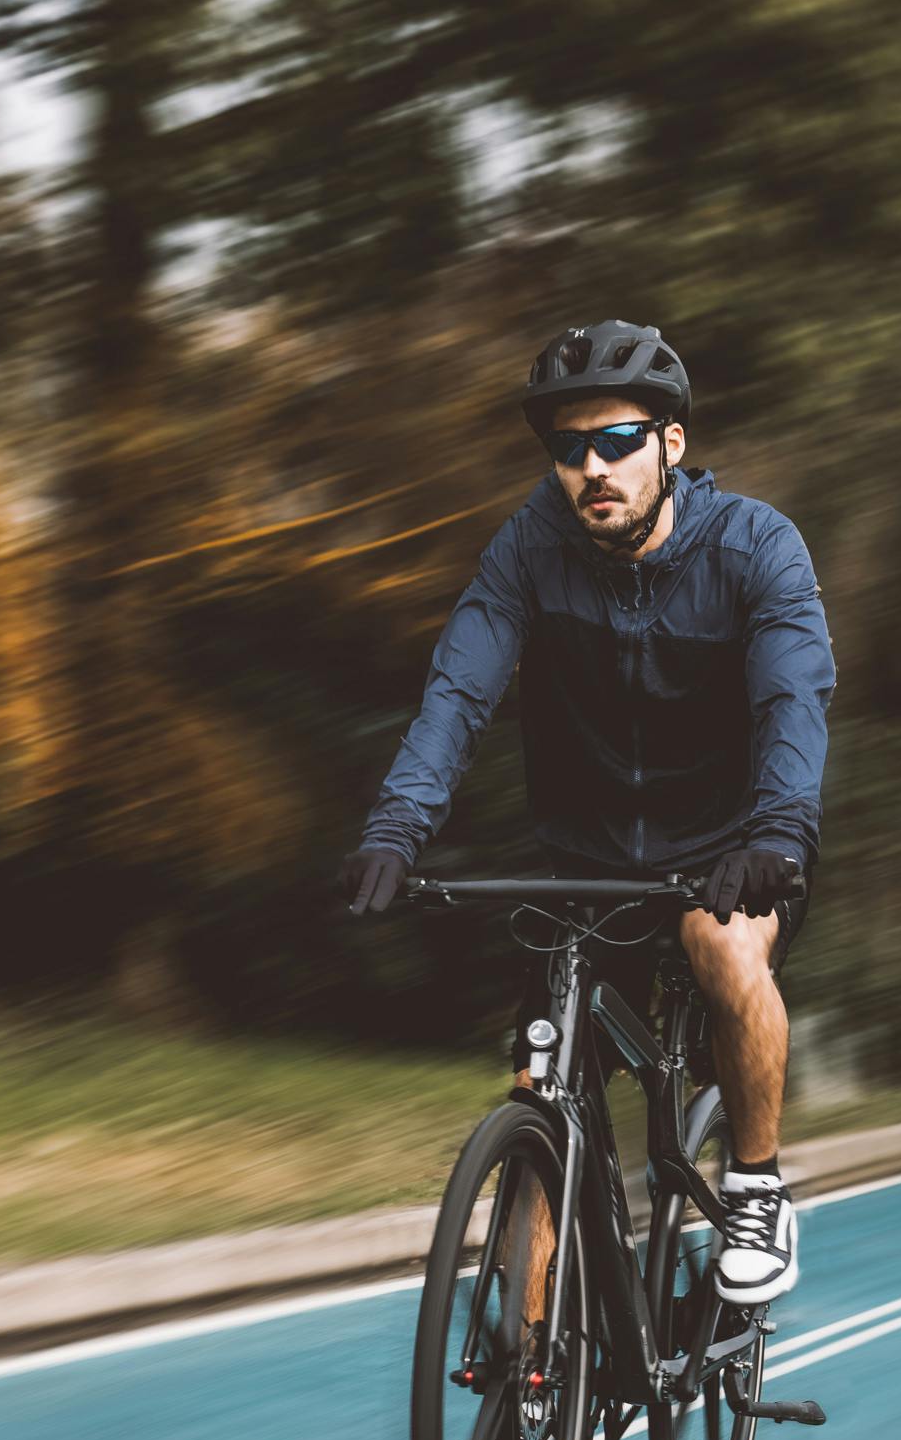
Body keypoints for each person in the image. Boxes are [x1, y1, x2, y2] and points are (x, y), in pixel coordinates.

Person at [340, 318, 834, 1335]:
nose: (591, 469)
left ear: (673, 443)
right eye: (568, 450)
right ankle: (522, 1387)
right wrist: (396, 829)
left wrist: (776, 835)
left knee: (725, 955)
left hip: (727, 856)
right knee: (541, 1087)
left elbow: (794, 701)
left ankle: (754, 1192)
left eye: (615, 441)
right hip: (587, 869)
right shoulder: (530, 551)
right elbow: (459, 693)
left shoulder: (755, 549)